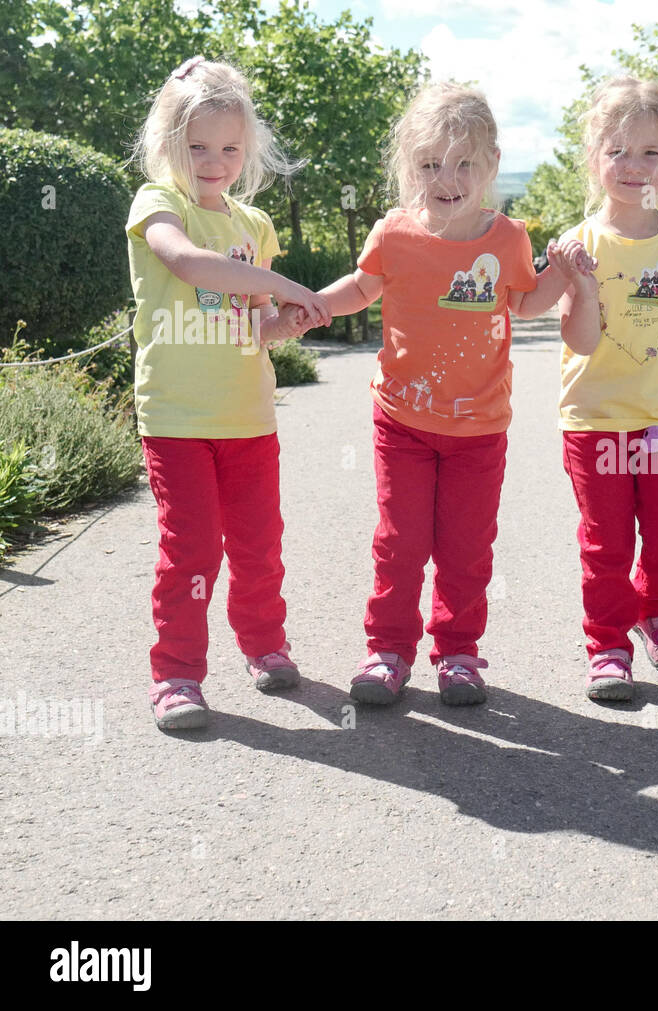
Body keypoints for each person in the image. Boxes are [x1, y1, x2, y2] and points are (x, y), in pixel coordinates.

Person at [316, 83, 591, 706]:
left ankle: (459, 652)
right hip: (403, 423)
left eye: (464, 162)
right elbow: (359, 290)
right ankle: (387, 649)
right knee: (400, 541)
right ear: (409, 167)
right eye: (430, 163)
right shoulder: (395, 234)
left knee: (466, 549)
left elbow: (525, 303)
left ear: (491, 164)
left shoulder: (507, 238)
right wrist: (308, 307)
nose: (447, 177)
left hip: (479, 431)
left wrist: (562, 275)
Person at [125, 56, 331, 730]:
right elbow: (183, 261)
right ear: (167, 145)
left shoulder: (255, 227)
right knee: (190, 549)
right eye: (197, 146)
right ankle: (177, 674)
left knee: (256, 542)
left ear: (249, 151)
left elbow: (257, 329)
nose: (214, 161)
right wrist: (280, 287)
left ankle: (265, 644)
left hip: (248, 419)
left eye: (230, 148)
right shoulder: (160, 204)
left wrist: (287, 320)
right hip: (178, 419)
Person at [555, 77, 658, 701]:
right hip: (594, 420)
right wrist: (584, 286)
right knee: (607, 541)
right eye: (618, 151)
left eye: (650, 152)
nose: (633, 166)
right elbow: (582, 340)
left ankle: (656, 611)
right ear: (594, 159)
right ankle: (608, 646)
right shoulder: (580, 245)